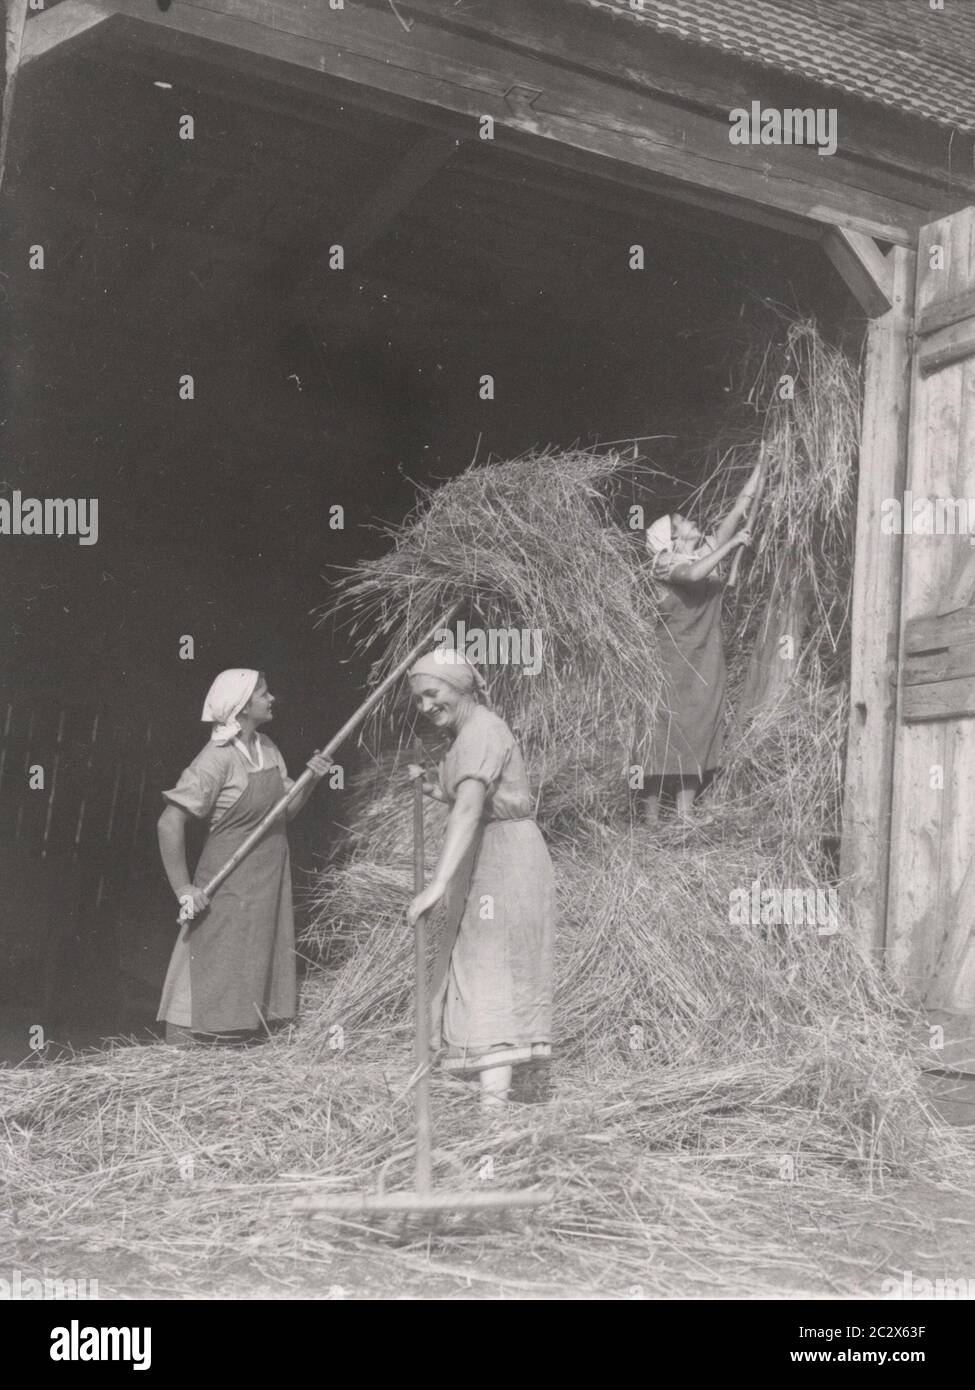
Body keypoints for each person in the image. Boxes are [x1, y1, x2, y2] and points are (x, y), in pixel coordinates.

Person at [406, 648, 555, 1109]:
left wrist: (435, 885)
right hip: (494, 853)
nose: (425, 706)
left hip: (505, 859)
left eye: (432, 693)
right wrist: (436, 789)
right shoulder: (470, 733)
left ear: (460, 686)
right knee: (483, 965)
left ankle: (495, 1112)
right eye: (418, 699)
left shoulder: (481, 731)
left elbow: (471, 808)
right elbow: (471, 797)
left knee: (490, 969)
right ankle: (500, 1101)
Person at [156, 669, 331, 1045]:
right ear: (242, 707)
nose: (272, 699)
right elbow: (169, 822)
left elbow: (285, 813)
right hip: (228, 880)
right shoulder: (215, 760)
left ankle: (241, 1040)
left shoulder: (267, 747)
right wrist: (184, 888)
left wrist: (311, 778)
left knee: (253, 959)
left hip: (267, 879)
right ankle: (188, 1041)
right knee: (215, 955)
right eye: (264, 694)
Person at [642, 464, 760, 823]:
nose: (692, 522)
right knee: (659, 733)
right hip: (668, 661)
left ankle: (684, 815)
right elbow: (694, 574)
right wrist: (734, 545)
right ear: (672, 540)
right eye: (682, 523)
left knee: (697, 726)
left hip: (704, 657)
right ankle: (649, 819)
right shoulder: (664, 565)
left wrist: (764, 462)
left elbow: (741, 507)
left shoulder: (702, 552)